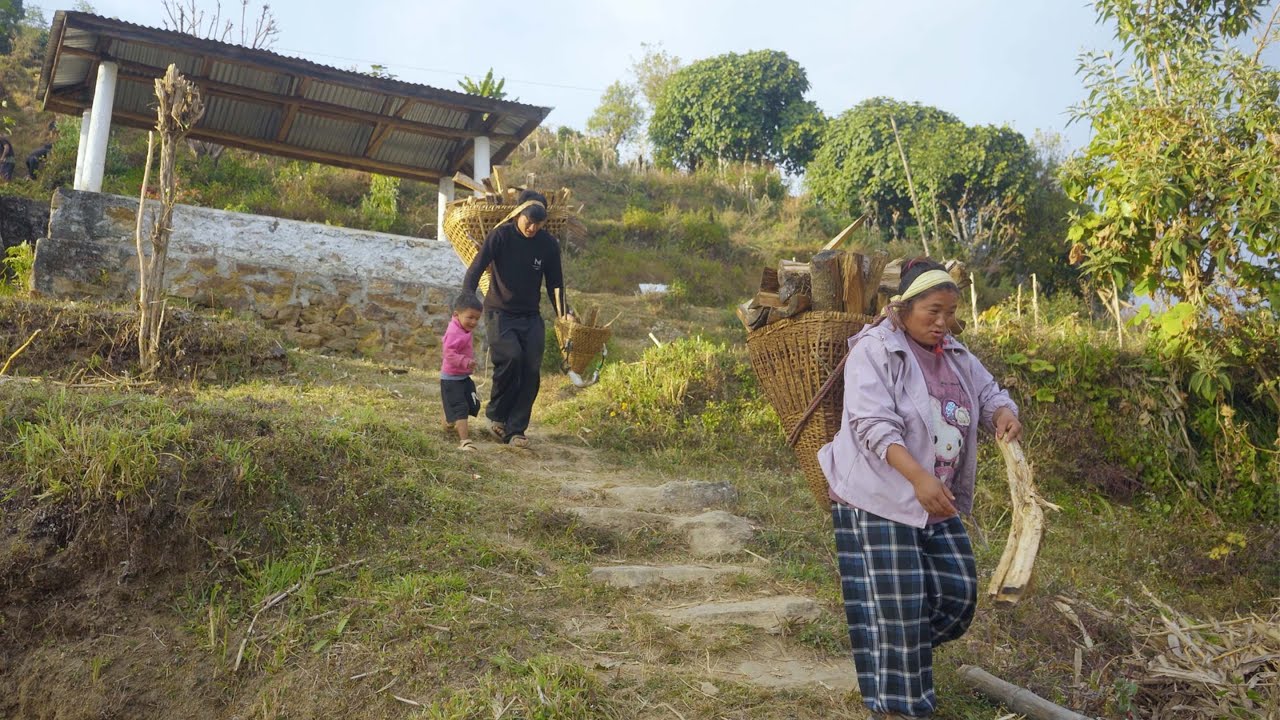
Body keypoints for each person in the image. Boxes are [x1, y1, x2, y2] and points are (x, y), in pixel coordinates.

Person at [819, 258, 1023, 719]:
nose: (942, 322)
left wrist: (1003, 413)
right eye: (933, 311)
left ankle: (891, 645)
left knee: (957, 594)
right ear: (903, 308)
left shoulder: (954, 353)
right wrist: (917, 477)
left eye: (949, 312)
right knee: (901, 611)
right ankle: (903, 708)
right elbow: (873, 425)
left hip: (934, 498)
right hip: (879, 496)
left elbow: (988, 392)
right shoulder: (875, 350)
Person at [462, 189, 566, 449]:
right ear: (517, 214)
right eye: (528, 221)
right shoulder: (500, 236)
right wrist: (466, 297)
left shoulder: (548, 245)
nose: (532, 228)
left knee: (531, 368)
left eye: (538, 224)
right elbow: (476, 268)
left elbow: (555, 284)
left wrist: (565, 315)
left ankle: (516, 429)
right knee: (511, 358)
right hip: (500, 313)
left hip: (530, 316)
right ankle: (496, 415)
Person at [441, 291, 483, 452]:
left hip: (463, 376)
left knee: (472, 403)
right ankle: (465, 441)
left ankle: (448, 419)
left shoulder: (464, 329)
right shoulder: (453, 332)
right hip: (451, 379)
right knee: (461, 408)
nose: (473, 322)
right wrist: (465, 361)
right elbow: (449, 353)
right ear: (456, 314)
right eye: (470, 317)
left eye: (477, 318)